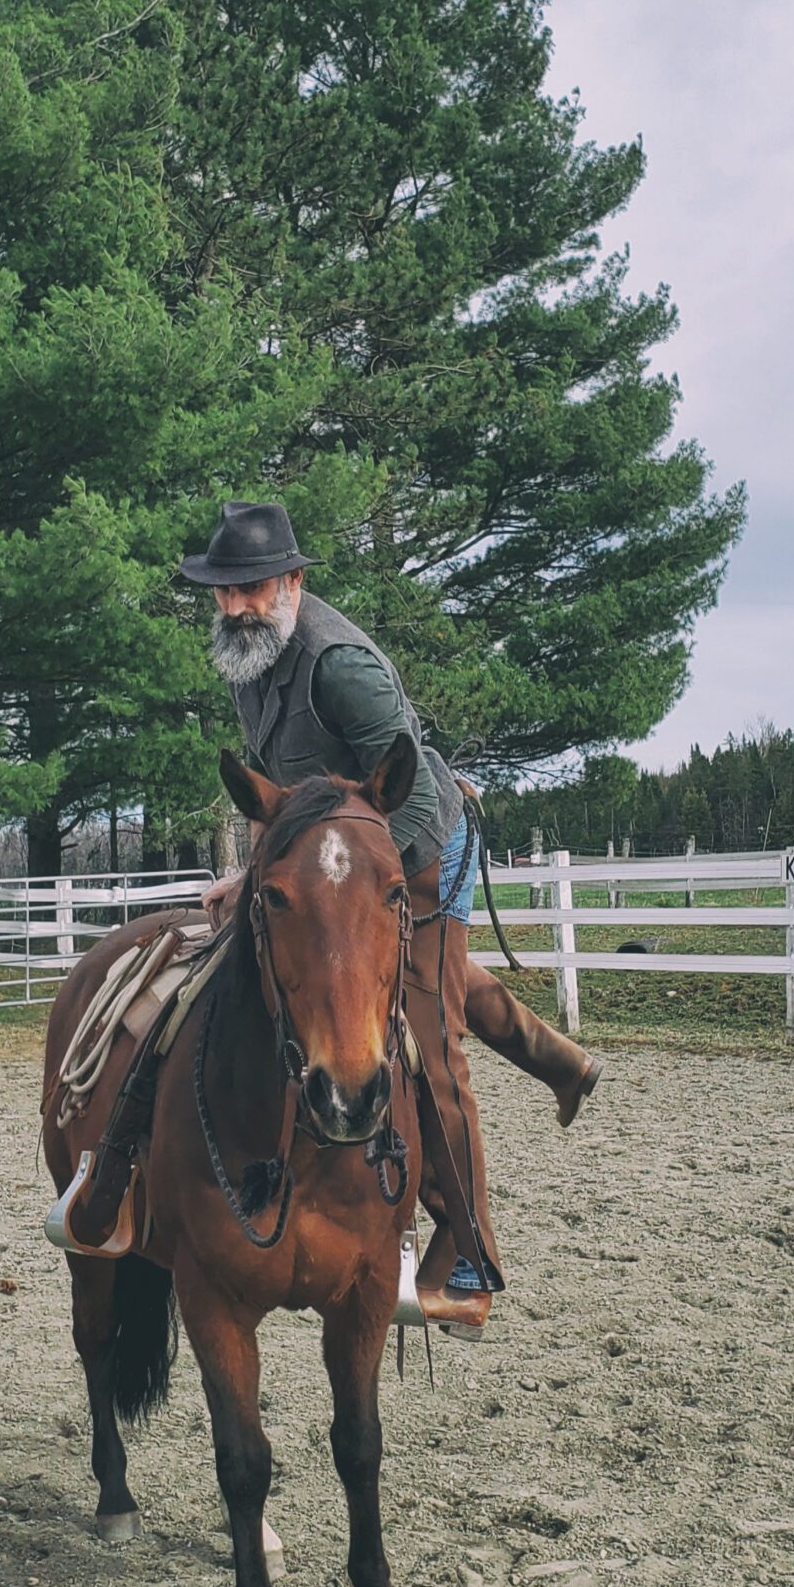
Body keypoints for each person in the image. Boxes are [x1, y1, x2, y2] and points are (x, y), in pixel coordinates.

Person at [183, 500, 600, 1331]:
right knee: (431, 979)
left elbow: (403, 772)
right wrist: (252, 870)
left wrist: (371, 896)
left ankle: (472, 1261)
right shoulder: (248, 661)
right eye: (223, 593)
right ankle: (562, 1063)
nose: (235, 607)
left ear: (293, 582)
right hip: (344, 861)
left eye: (253, 589)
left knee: (424, 1038)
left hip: (419, 845)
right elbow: (284, 798)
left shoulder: (337, 666)